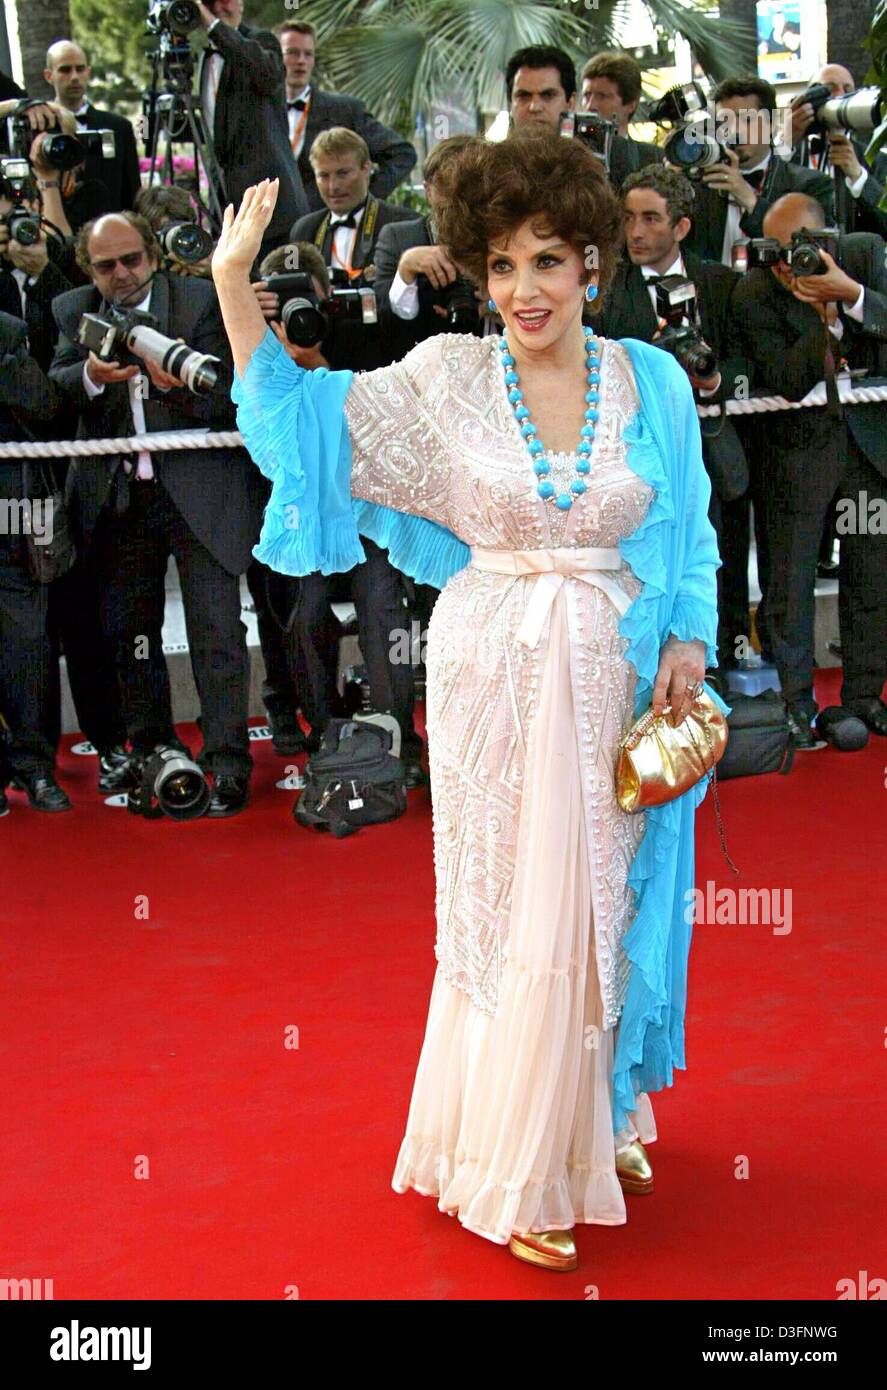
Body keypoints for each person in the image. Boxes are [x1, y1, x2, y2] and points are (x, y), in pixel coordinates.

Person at [212, 126, 724, 1270]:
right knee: (516, 907)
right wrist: (230, 285)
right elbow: (302, 427)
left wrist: (688, 632)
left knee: (604, 900)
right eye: (498, 266)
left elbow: (687, 523)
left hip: (613, 673)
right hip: (493, 666)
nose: (522, 289)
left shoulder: (653, 381)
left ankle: (596, 1118)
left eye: (546, 259)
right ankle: (519, 1161)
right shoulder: (447, 381)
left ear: (591, 260)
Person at [48, 211, 267, 815]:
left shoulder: (202, 299)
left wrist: (167, 382)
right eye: (105, 265)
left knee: (217, 631)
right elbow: (54, 390)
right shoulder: (73, 311)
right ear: (87, 268)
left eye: (131, 260)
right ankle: (155, 754)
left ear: (154, 255)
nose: (120, 274)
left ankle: (227, 762)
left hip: (200, 491)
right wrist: (94, 374)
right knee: (132, 636)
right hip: (120, 502)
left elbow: (236, 392)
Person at [732, 193, 887, 750]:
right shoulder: (754, 291)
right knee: (790, 582)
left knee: (871, 572)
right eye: (775, 250)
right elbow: (789, 378)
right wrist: (825, 320)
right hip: (797, 457)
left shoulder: (865, 260)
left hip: (867, 450)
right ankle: (796, 703)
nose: (785, 263)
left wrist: (848, 296)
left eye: (800, 249)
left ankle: (866, 693)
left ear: (831, 241)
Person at [596, 164, 751, 672]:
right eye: (627, 218)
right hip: (635, 467)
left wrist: (712, 381)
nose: (635, 232)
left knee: (716, 569)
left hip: (713, 454)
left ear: (681, 227)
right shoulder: (603, 294)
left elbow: (751, 364)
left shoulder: (721, 284)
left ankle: (720, 677)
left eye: (650, 219)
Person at [680, 75, 835, 267]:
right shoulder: (700, 186)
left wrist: (752, 203)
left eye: (746, 120)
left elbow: (808, 259)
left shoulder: (810, 184)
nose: (735, 130)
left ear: (771, 124)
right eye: (724, 123)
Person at [196, 0, 308, 253]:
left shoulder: (261, 41)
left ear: (241, 3)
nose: (218, 7)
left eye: (226, 0)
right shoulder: (205, 57)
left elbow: (267, 74)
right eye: (209, 2)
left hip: (272, 211)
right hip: (228, 208)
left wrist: (214, 26)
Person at [273, 20, 417, 216]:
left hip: (324, 229)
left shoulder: (343, 110)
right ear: (274, 56)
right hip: (271, 232)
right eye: (292, 53)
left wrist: (362, 199)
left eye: (308, 54)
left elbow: (402, 154)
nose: (301, 61)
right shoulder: (260, 110)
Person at [507, 44, 663, 190]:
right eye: (523, 96)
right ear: (510, 103)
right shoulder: (490, 169)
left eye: (548, 95)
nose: (534, 107)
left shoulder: (601, 162)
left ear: (571, 102)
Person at [43, 40, 141, 214]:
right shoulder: (40, 130)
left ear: (88, 72)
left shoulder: (119, 127)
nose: (74, 77)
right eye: (65, 70)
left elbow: (132, 193)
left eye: (80, 69)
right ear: (49, 76)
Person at [579, 50, 663, 167]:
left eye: (602, 96)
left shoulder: (653, 159)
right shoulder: (567, 156)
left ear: (630, 104)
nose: (590, 106)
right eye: (587, 95)